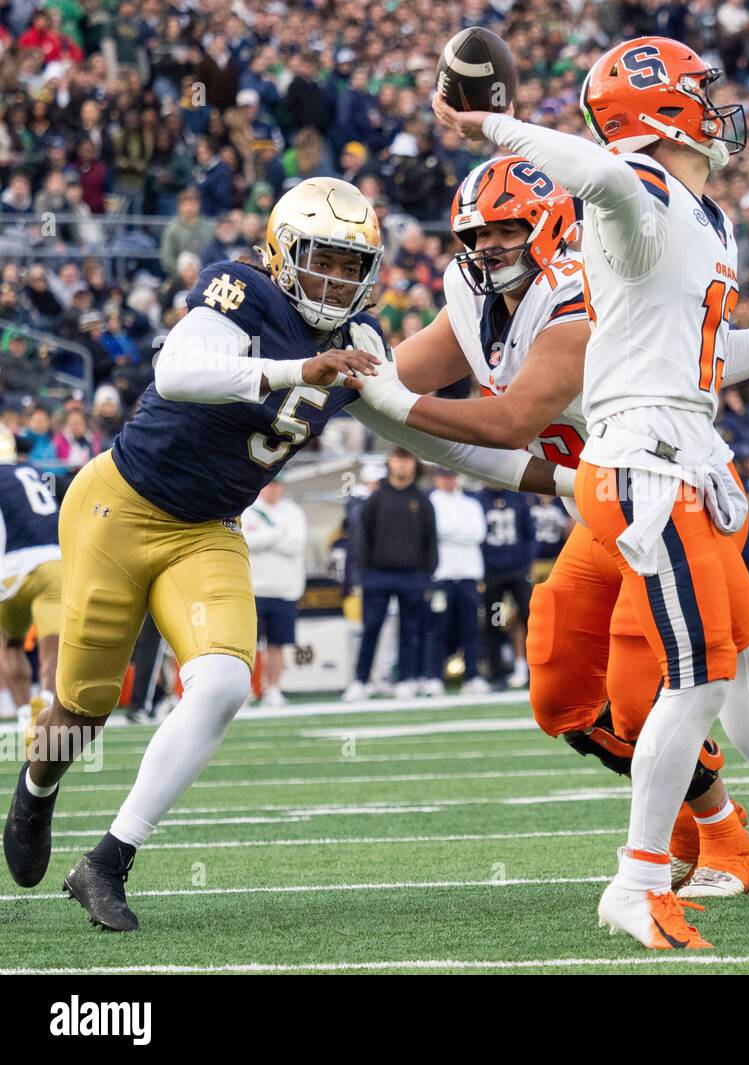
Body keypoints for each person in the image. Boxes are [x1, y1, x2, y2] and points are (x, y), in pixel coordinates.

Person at [434, 36, 749, 949]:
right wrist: (488, 124)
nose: (715, 105)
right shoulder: (636, 189)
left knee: (745, 656)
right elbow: (597, 174)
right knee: (696, 680)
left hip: (687, 448)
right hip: (643, 461)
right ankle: (639, 877)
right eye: (699, 91)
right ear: (657, 111)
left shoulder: (703, 215)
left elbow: (715, 357)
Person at [2, 177, 566, 932]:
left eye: (348, 265)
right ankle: (37, 792)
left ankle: (107, 860)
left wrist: (562, 477)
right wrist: (295, 370)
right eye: (320, 259)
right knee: (85, 702)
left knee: (224, 682)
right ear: (281, 251)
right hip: (118, 505)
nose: (334, 280)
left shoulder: (359, 343)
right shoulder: (243, 290)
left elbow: (435, 439)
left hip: (207, 528)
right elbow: (179, 371)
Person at [373, 155, 749, 895]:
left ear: (548, 224)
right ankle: (699, 823)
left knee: (647, 687)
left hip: (664, 498)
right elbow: (403, 375)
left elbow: (508, 418)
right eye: (476, 233)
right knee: (561, 697)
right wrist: (320, 375)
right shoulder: (474, 293)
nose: (488, 246)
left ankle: (728, 838)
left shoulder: (577, 296)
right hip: (599, 513)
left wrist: (375, 398)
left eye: (506, 228)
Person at [344, 447, 436, 702]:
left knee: (410, 631)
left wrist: (427, 574)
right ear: (390, 463)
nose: (403, 466)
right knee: (371, 628)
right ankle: (361, 681)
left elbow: (431, 540)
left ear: (414, 464)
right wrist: (362, 574)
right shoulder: (375, 499)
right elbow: (362, 538)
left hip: (412, 576)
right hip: (378, 575)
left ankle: (405, 679)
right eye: (398, 460)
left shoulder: (423, 499)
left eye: (407, 460)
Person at [0, 427, 61, 722]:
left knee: (9, 643)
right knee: (53, 641)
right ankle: (47, 700)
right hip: (54, 562)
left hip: (13, 568)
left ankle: (25, 714)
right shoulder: (32, 471)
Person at [241, 476, 308, 707]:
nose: (273, 489)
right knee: (249, 645)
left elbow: (295, 545)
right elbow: (245, 541)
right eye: (269, 484)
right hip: (254, 589)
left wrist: (265, 539)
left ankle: (274, 688)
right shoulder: (248, 509)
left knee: (277, 644)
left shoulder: (293, 512)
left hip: (285, 588)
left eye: (277, 485)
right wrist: (276, 535)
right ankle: (247, 689)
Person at [425, 468, 487, 695]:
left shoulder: (471, 503)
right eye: (444, 476)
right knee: (438, 628)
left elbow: (478, 533)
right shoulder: (431, 502)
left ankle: (473, 676)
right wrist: (459, 533)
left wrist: (450, 533)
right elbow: (435, 531)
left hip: (469, 575)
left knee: (470, 628)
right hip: (441, 576)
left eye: (451, 476)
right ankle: (433, 676)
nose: (448, 480)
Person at [476, 486, 536, 689]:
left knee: (530, 619)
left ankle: (532, 669)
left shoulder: (517, 497)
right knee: (494, 621)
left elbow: (529, 532)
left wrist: (527, 563)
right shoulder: (479, 499)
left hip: (517, 572)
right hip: (492, 574)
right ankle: (496, 672)